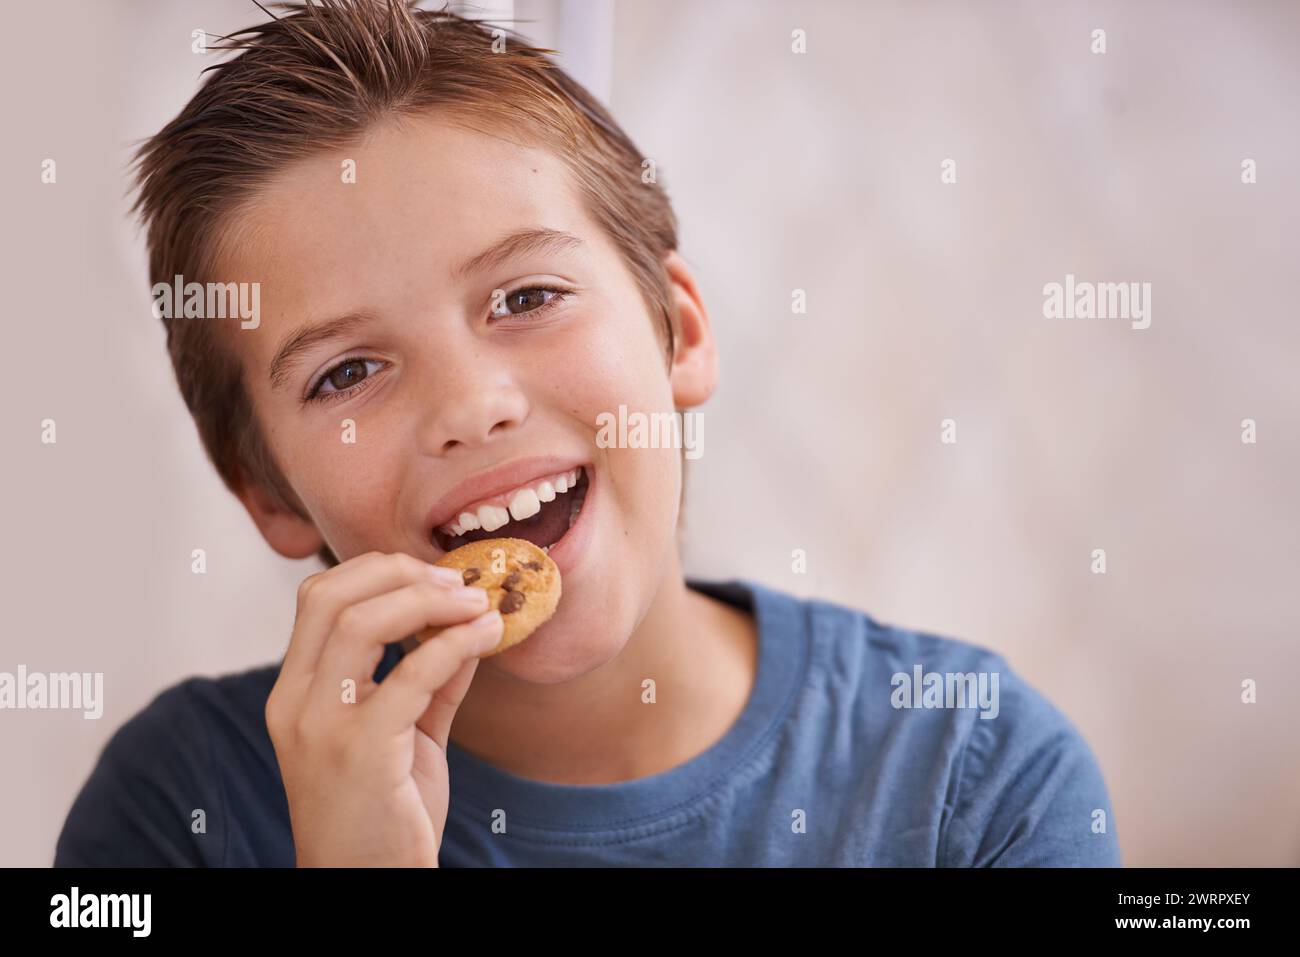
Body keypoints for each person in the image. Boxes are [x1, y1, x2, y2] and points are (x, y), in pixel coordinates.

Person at [55, 0, 1120, 867]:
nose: (472, 407)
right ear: (269, 493)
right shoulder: (183, 810)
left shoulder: (969, 774)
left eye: (524, 298)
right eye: (347, 371)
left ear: (679, 332)